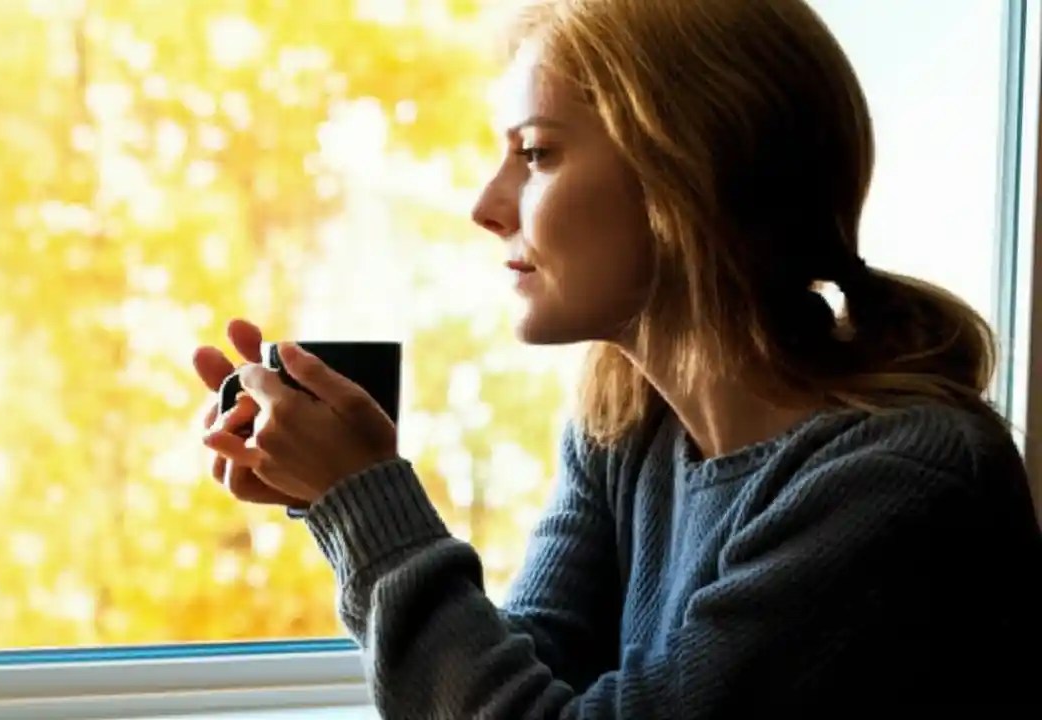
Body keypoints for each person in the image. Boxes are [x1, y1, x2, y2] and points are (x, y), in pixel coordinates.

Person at [192, 0, 1042, 716]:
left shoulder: (898, 486)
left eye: (535, 153)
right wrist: (337, 498)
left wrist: (363, 500)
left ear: (689, 169)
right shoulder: (628, 427)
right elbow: (531, 674)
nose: (485, 205)